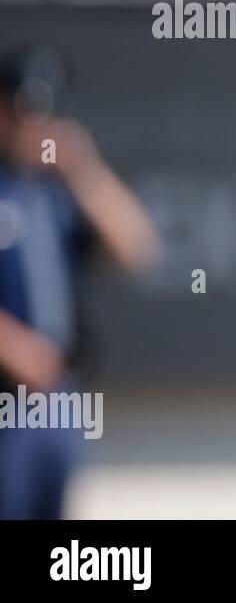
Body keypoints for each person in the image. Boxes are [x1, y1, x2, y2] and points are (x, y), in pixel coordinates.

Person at [0, 49, 159, 519]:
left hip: (54, 400)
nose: (31, 128)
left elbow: (137, 248)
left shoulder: (55, 192)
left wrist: (84, 171)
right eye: (18, 113)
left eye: (40, 115)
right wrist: (13, 348)